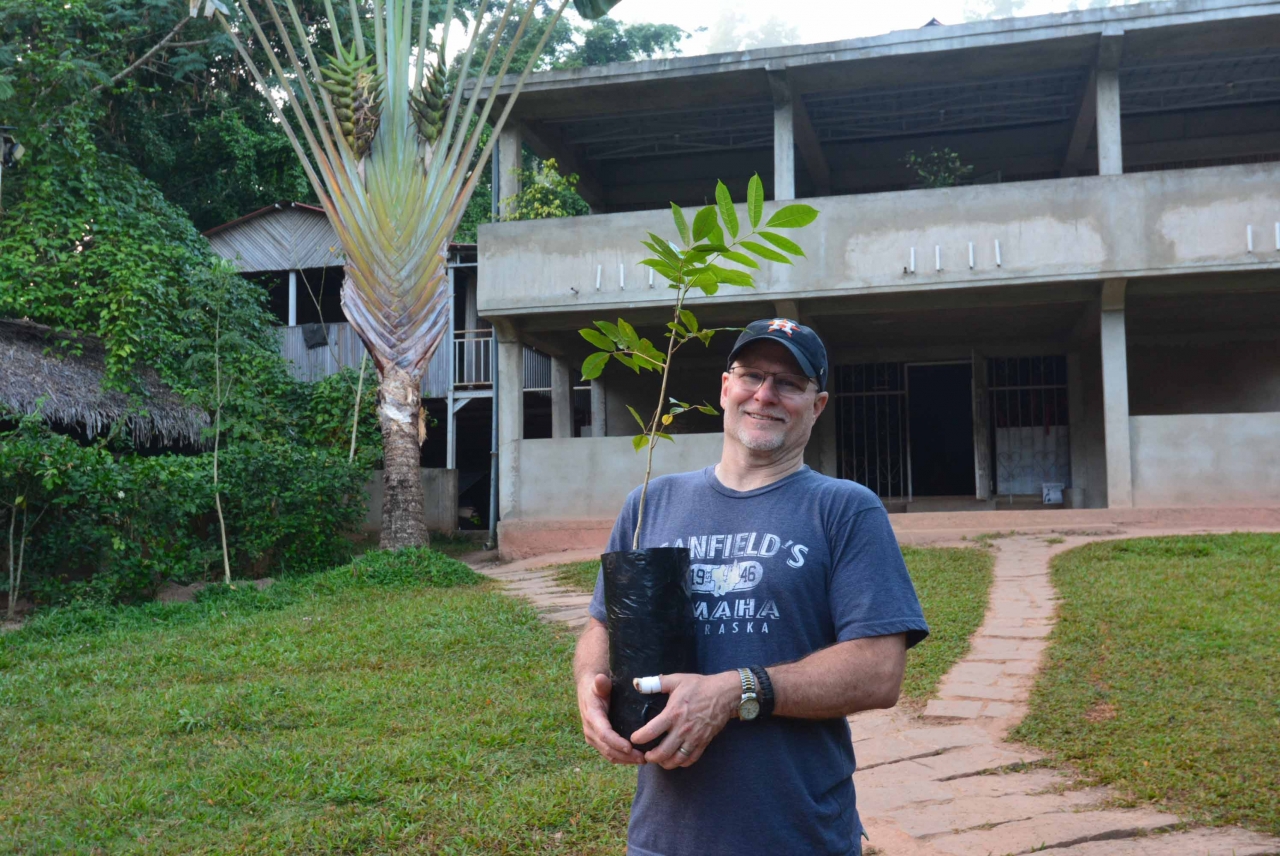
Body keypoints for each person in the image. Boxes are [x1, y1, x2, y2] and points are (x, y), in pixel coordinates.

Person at [573, 317, 930, 856]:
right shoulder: (652, 501)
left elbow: (880, 672)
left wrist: (734, 691)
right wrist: (589, 689)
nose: (765, 394)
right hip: (664, 838)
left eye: (789, 383)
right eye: (752, 375)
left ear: (818, 405)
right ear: (724, 388)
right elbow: (603, 622)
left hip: (797, 834)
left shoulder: (844, 509)